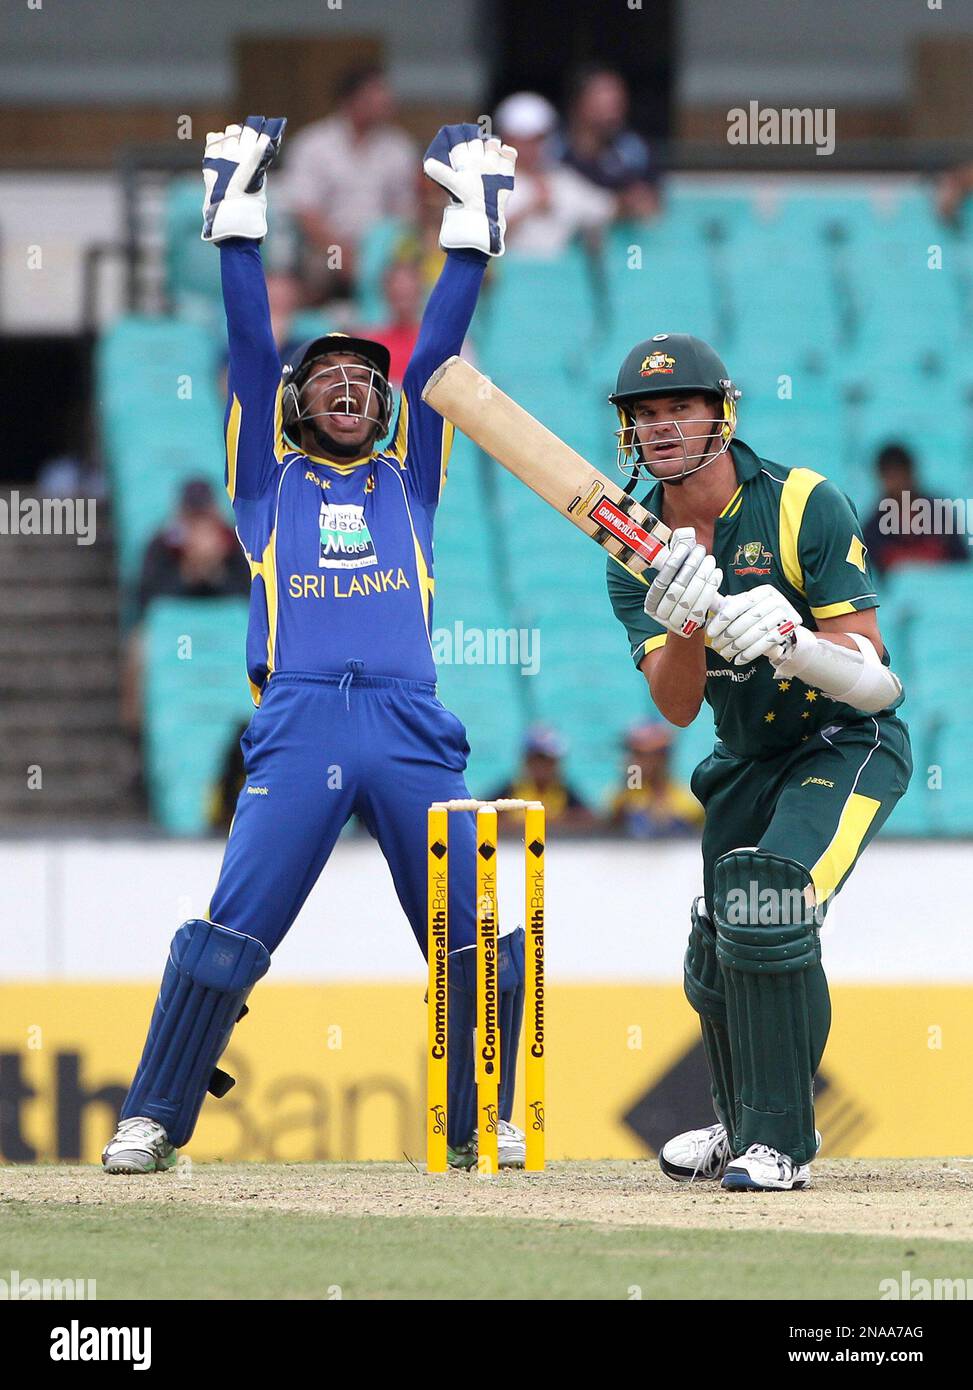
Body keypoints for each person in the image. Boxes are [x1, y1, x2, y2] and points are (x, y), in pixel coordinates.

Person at [103, 117, 524, 1176]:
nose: (346, 383)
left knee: (473, 931)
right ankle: (152, 1116)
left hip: (408, 722)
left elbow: (435, 357)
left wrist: (469, 235)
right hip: (299, 720)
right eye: (325, 373)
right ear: (296, 403)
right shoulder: (264, 483)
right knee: (230, 932)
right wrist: (236, 230)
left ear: (381, 404)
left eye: (360, 376)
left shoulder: (410, 478)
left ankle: (488, 1119)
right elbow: (248, 349)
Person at [606, 333, 912, 1191]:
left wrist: (791, 642)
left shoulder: (801, 502)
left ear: (719, 412)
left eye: (679, 408)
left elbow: (875, 683)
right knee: (719, 939)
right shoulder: (635, 547)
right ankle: (737, 1124)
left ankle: (779, 1145)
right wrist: (687, 623)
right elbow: (672, 706)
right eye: (645, 414)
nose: (661, 427)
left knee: (769, 901)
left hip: (841, 742)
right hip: (742, 756)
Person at [284, 66, 416, 299]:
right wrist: (341, 252)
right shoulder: (313, 144)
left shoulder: (399, 147)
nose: (385, 101)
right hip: (327, 249)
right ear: (353, 99)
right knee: (316, 273)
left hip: (382, 250)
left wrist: (379, 251)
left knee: (409, 274)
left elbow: (405, 211)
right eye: (377, 94)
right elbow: (305, 211)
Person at [494, 92, 615, 258]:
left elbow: (606, 208)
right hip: (505, 279)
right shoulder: (484, 182)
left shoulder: (564, 181)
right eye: (522, 140)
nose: (530, 148)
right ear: (506, 139)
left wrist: (632, 202)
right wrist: (530, 208)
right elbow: (481, 240)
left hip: (559, 279)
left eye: (537, 140)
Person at [558, 67, 659, 221]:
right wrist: (613, 204)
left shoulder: (633, 148)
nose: (613, 111)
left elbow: (651, 203)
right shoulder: (553, 148)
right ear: (578, 103)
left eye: (617, 102)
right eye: (603, 101)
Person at [862, 443, 968, 575]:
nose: (896, 484)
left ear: (911, 473)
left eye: (899, 474)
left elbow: (962, 565)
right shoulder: (873, 528)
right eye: (889, 476)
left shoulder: (939, 514)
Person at [489, 726, 597, 834]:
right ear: (526, 761)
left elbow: (590, 819)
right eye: (536, 759)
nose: (541, 767)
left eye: (547, 761)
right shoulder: (511, 789)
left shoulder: (564, 792)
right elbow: (483, 814)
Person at [607, 721, 702, 838]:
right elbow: (611, 824)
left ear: (661, 759)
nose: (632, 760)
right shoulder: (628, 792)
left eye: (639, 754)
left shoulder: (686, 803)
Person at [356, 258, 424, 386]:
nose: (402, 292)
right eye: (398, 292)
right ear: (386, 293)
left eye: (407, 292)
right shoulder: (370, 344)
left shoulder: (436, 342)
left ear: (419, 292)